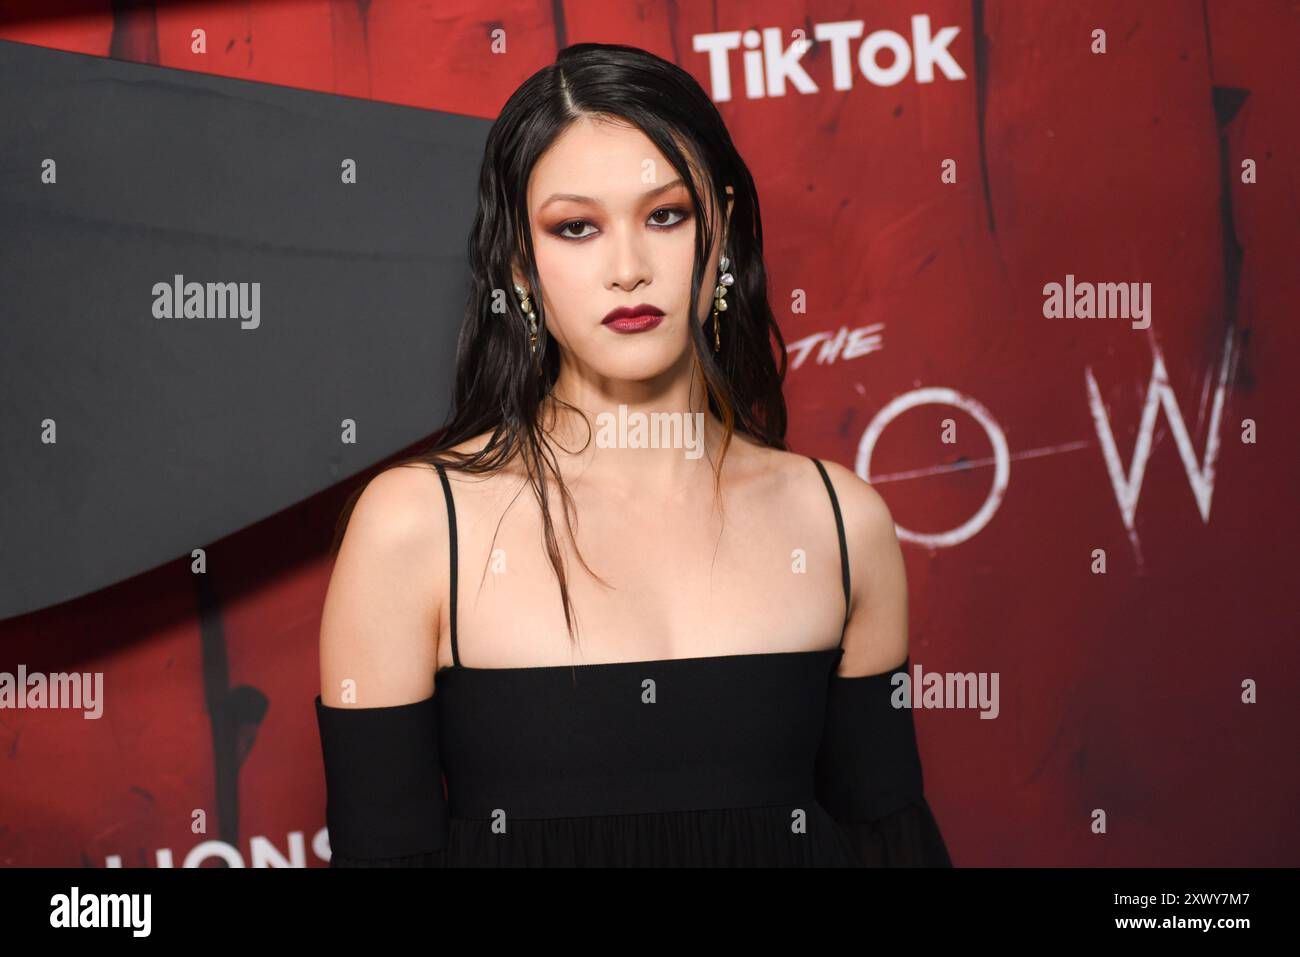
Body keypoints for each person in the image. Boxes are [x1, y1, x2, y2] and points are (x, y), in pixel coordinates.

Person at [313, 41, 952, 867]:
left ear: (718, 228)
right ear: (520, 260)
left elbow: (891, 846)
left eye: (666, 214)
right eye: (576, 227)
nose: (628, 269)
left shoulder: (839, 521)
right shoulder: (416, 529)